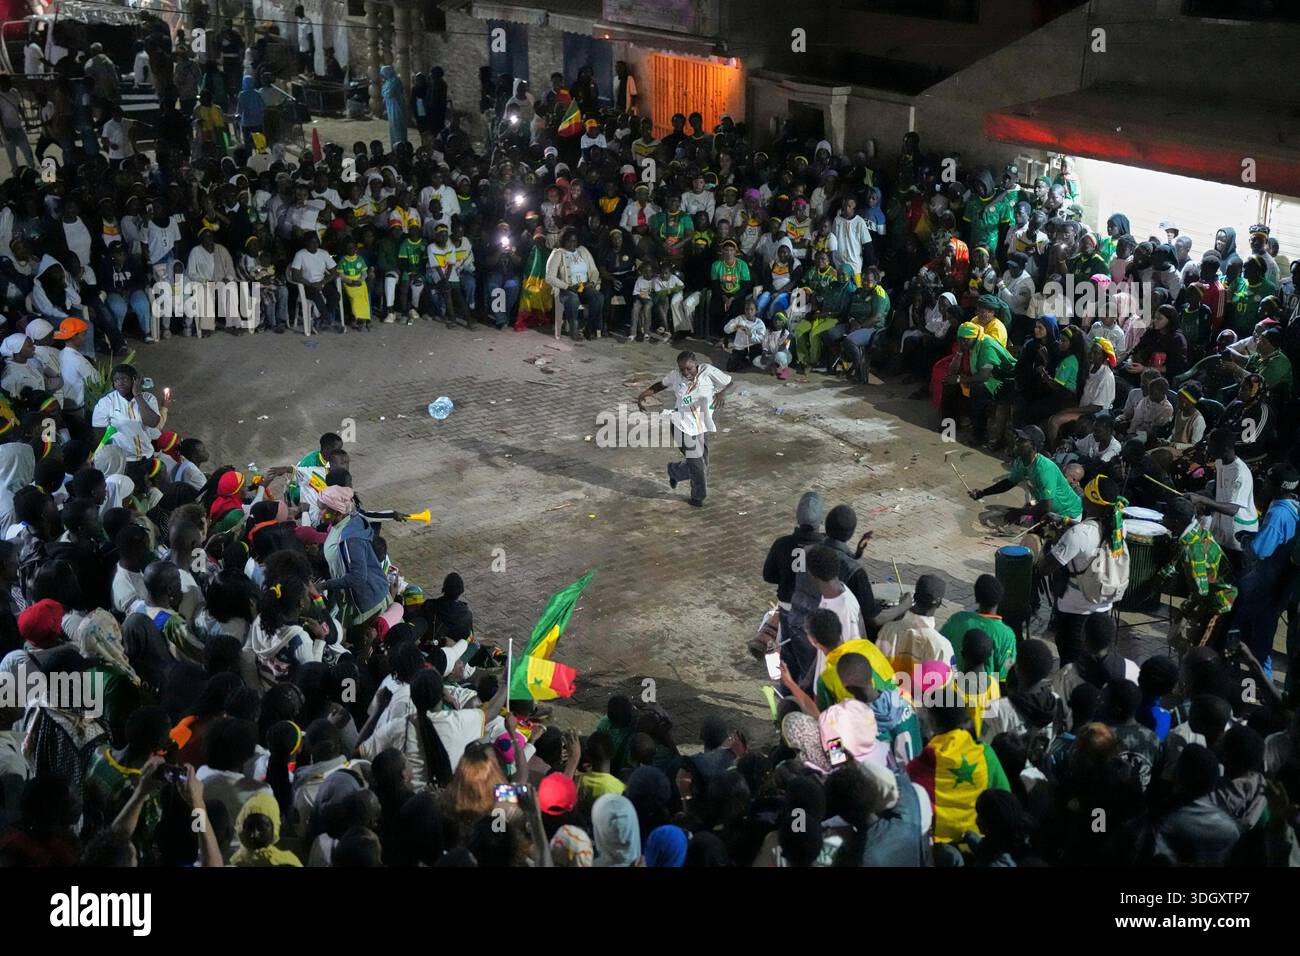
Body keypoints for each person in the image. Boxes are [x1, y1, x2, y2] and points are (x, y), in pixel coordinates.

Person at [636, 351, 732, 507]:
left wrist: (722, 393)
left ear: (696, 364)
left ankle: (675, 471)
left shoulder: (708, 371)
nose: (686, 372)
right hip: (681, 426)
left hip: (701, 427)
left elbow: (729, 382)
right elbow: (660, 385)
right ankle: (697, 498)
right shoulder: (675, 376)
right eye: (682, 369)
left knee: (702, 465)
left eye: (689, 368)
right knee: (698, 467)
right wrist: (643, 395)